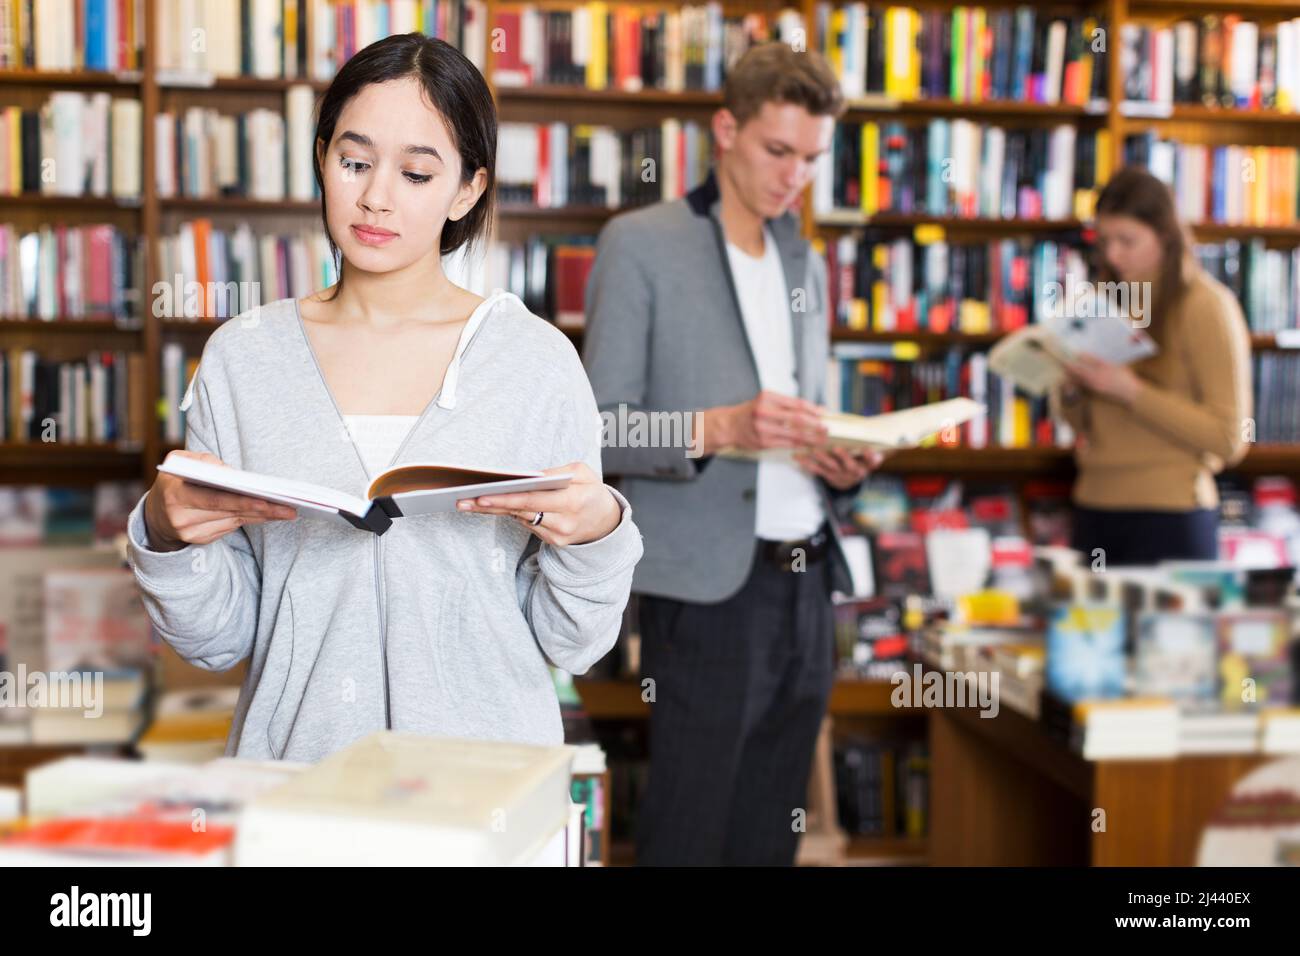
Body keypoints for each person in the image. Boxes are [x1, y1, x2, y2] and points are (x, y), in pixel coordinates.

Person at [126, 34, 643, 762]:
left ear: (468, 189)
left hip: (482, 794)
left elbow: (574, 642)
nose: (376, 196)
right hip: (298, 787)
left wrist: (597, 534)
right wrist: (164, 532)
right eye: (355, 161)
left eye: (417, 172)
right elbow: (221, 640)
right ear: (323, 160)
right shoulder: (244, 359)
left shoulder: (534, 363)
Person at [583, 42, 879, 866]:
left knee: (768, 831)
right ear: (726, 129)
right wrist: (723, 429)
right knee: (689, 826)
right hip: (708, 586)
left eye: (812, 159)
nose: (795, 177)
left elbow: (795, 414)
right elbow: (601, 431)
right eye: (778, 151)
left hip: (809, 573)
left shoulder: (804, 260)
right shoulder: (640, 244)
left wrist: (835, 458)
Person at [1054, 165, 1253, 565]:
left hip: (1172, 516)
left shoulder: (1206, 307)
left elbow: (1230, 439)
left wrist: (1129, 390)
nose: (1113, 255)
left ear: (1165, 235)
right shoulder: (1099, 303)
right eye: (1105, 240)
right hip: (1094, 507)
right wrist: (1072, 388)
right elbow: (1079, 426)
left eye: (1128, 240)